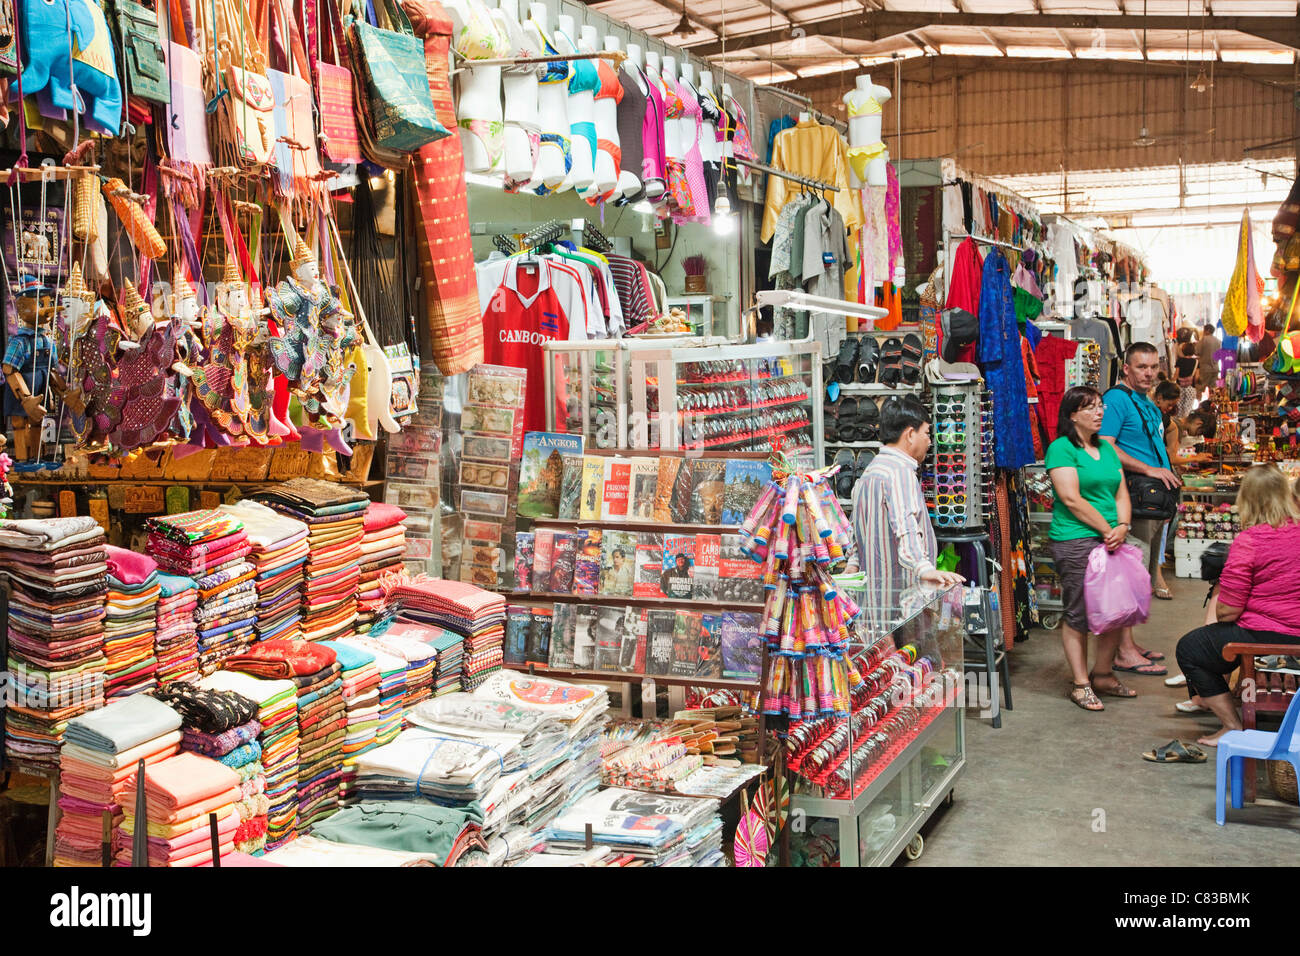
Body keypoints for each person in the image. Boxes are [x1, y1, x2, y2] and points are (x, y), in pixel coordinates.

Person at [1174, 464, 1300, 747]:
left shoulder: (1251, 540)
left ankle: (1232, 725)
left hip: (1269, 634)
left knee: (1191, 648)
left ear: (1247, 499)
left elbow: (1228, 610)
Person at [1046, 386, 1135, 711]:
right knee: (1079, 613)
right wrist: (1108, 529)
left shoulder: (1108, 451)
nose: (1099, 413)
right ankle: (1080, 683)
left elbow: (1121, 492)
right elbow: (1070, 498)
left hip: (1112, 537)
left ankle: (1103, 674)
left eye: (1100, 407)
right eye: (1090, 408)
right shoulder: (1061, 449)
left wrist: (1122, 527)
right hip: (1076, 539)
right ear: (1072, 415)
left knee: (1115, 611)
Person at [1099, 341, 1180, 674]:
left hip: (1153, 501)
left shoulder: (1145, 402)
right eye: (1141, 367)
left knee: (1140, 576)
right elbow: (1105, 447)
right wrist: (1149, 470)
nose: (1148, 373)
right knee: (1128, 578)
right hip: (1132, 499)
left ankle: (1128, 643)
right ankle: (1122, 651)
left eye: (1153, 367)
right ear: (1126, 369)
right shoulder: (1117, 399)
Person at [851, 395, 964, 628]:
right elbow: (906, 525)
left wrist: (853, 562)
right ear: (910, 434)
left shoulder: (871, 471)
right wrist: (923, 568)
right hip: (901, 605)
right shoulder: (899, 472)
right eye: (926, 433)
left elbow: (855, 529)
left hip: (874, 605)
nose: (930, 441)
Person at [1197, 323, 1221, 391]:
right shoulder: (1219, 341)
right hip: (1215, 369)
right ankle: (1212, 401)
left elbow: (1197, 351)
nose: (1203, 332)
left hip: (1205, 369)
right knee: (1213, 390)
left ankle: (1200, 401)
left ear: (1207, 330)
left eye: (1204, 330)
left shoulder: (1204, 339)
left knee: (1200, 389)